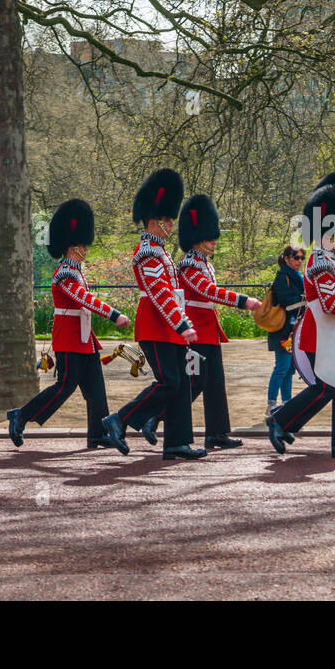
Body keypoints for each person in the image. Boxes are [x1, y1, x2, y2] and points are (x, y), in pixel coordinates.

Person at [102, 168, 207, 460]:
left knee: (181, 384)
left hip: (169, 327)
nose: (172, 225)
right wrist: (182, 323)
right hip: (156, 326)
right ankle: (119, 420)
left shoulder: (161, 250)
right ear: (155, 220)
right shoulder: (148, 251)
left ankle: (176, 442)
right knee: (170, 382)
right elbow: (160, 293)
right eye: (168, 220)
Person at [7, 199, 128, 449]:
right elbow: (85, 299)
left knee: (96, 389)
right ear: (72, 246)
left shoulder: (76, 271)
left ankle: (98, 433)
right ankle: (21, 415)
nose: (86, 247)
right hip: (69, 337)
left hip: (84, 337)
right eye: (83, 244)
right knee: (64, 386)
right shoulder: (64, 273)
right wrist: (114, 314)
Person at [266, 176, 335, 458]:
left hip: (334, 333)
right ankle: (281, 420)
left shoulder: (333, 255)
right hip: (320, 334)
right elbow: (331, 304)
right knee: (326, 387)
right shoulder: (321, 259)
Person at [171, 193, 261, 449]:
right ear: (197, 238)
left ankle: (217, 433)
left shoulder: (203, 263)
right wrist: (243, 300)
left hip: (208, 329)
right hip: (194, 330)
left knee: (214, 384)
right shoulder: (188, 265)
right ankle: (158, 416)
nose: (213, 242)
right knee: (194, 382)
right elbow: (208, 292)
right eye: (209, 237)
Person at [267, 245, 305, 415]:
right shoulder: (283, 277)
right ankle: (271, 404)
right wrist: (305, 300)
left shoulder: (296, 276)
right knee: (282, 367)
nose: (300, 261)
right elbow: (286, 301)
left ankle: (286, 402)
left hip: (291, 328)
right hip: (282, 329)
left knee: (289, 369)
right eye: (296, 257)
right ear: (287, 259)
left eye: (301, 258)